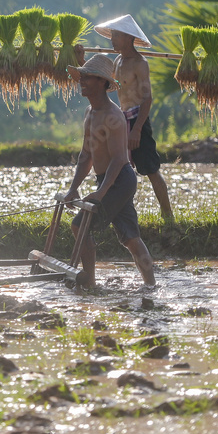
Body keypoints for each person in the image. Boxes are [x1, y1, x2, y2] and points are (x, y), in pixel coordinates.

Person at [62, 53, 156, 290]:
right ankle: (151, 286)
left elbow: (118, 159)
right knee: (130, 238)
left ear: (103, 82)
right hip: (107, 180)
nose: (82, 81)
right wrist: (73, 189)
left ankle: (90, 282)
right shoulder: (89, 113)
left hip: (119, 179)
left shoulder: (113, 115)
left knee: (79, 225)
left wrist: (101, 192)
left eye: (89, 77)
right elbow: (86, 156)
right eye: (81, 77)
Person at [92, 14, 175, 225]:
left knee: (151, 169)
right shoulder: (118, 61)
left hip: (138, 119)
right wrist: (78, 61)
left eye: (116, 35)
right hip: (121, 119)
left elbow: (147, 98)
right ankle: (116, 216)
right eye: (111, 35)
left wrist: (137, 129)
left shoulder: (140, 63)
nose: (112, 39)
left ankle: (168, 218)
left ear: (128, 37)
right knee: (116, 167)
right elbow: (100, 80)